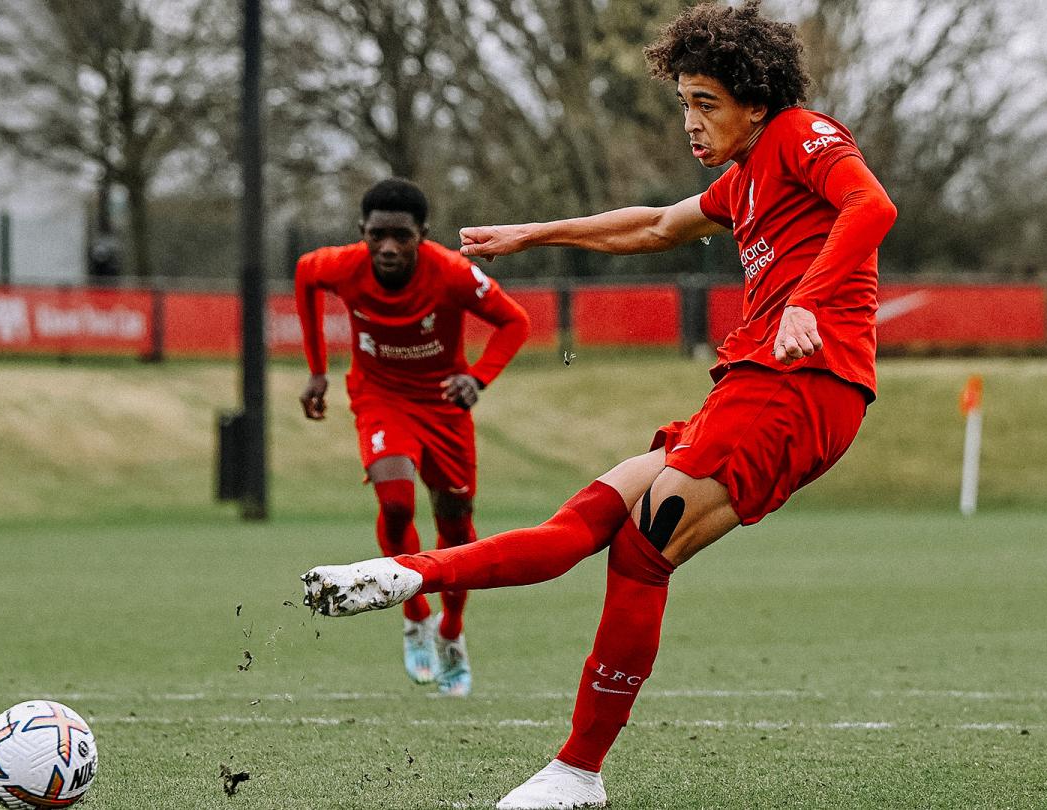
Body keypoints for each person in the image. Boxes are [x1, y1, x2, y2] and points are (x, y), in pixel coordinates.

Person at [302, 2, 896, 806]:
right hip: (750, 385)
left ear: (756, 102)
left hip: (803, 386)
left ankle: (577, 771)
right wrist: (535, 234)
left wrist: (807, 304)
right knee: (584, 522)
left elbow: (872, 207)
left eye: (705, 103)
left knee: (644, 552)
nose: (689, 121)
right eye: (683, 101)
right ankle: (408, 575)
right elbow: (654, 226)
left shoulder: (798, 134)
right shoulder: (744, 177)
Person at [295, 178, 531, 697]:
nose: (388, 247)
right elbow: (303, 275)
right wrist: (317, 370)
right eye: (378, 235)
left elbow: (515, 322)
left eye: (401, 236)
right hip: (380, 398)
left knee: (458, 529)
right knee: (396, 503)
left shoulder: (450, 273)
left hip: (444, 405)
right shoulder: (341, 266)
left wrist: (478, 376)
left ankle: (451, 632)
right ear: (362, 231)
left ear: (422, 235)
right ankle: (416, 615)